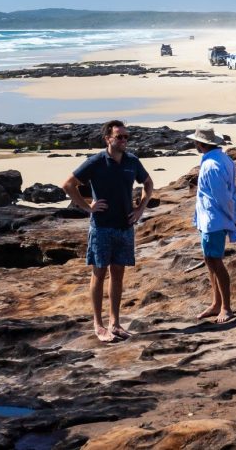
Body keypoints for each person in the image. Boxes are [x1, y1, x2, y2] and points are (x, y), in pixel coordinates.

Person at [62, 119, 154, 343]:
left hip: (125, 227)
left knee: (118, 275)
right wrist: (88, 207)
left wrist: (140, 209)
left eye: (126, 137)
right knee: (99, 273)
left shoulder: (132, 161)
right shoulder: (96, 162)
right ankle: (98, 324)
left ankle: (115, 322)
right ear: (108, 139)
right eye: (119, 136)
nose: (124, 140)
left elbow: (148, 184)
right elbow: (68, 185)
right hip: (102, 227)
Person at [188, 125, 236, 324]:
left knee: (215, 261)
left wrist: (234, 217)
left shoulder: (212, 165)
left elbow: (222, 196)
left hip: (214, 220)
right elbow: (230, 192)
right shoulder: (222, 159)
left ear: (201, 144)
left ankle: (225, 307)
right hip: (212, 218)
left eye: (195, 141)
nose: (194, 143)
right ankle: (216, 303)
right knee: (210, 259)